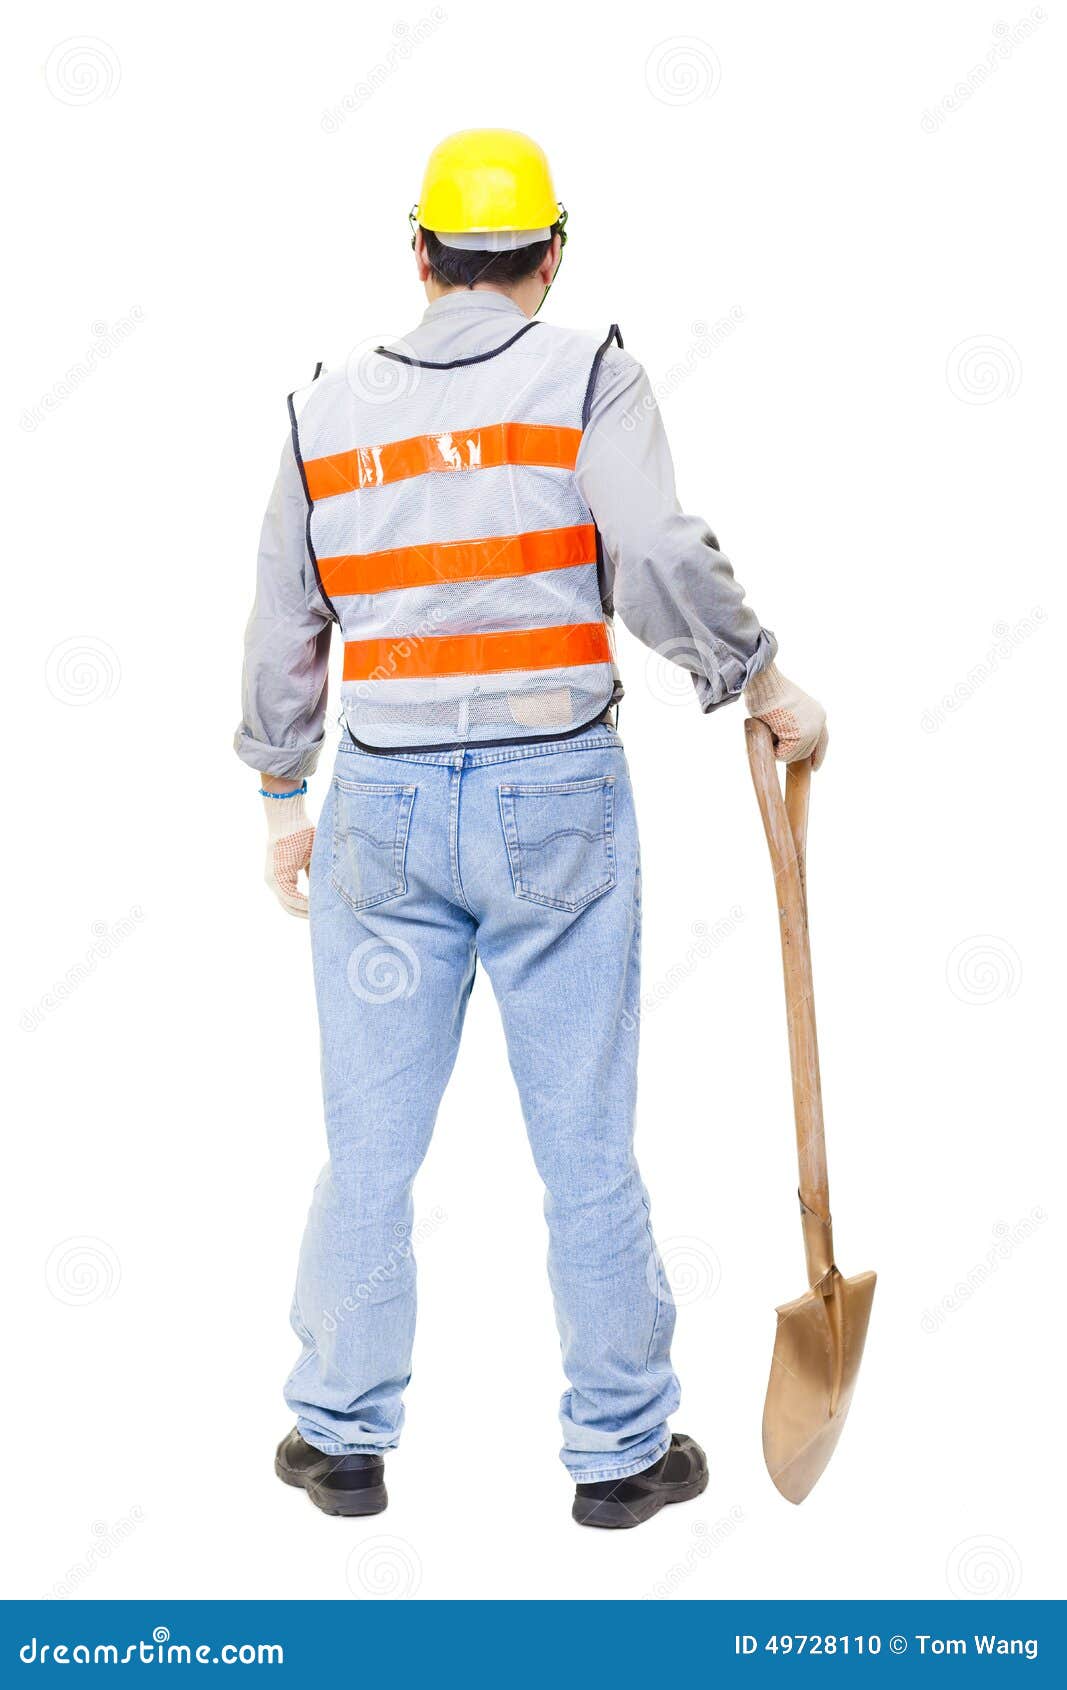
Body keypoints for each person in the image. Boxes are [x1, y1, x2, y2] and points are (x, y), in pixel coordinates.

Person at [235, 129, 827, 1530]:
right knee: (584, 1139)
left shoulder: (326, 414)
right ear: (551, 259)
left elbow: (281, 613)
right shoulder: (588, 376)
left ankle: (337, 1439)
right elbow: (661, 552)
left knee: (368, 1144)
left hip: (375, 809)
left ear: (421, 255)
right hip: (553, 806)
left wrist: (279, 795)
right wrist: (756, 674)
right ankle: (621, 1453)